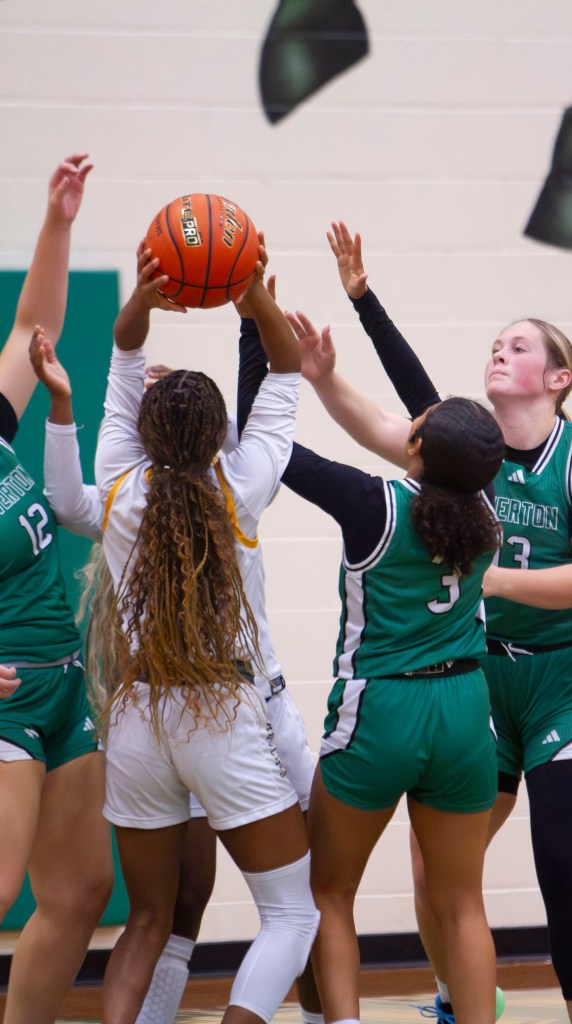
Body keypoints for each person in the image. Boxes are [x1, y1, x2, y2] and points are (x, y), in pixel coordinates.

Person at [305, 222, 572, 1024]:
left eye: (516, 346)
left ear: (556, 376)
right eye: (492, 343)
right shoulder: (469, 454)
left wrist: (487, 575)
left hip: (570, 683)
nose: (497, 351)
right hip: (485, 680)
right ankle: (458, 1000)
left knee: (561, 863)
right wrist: (358, 304)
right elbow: (390, 420)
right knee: (436, 868)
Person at [33, 287, 320, 1024]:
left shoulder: (121, 482)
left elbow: (124, 355)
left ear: (140, 428)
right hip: (219, 714)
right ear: (222, 430)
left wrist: (141, 295)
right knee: (292, 914)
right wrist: (251, 291)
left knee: (148, 920)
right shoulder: (243, 483)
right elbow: (286, 371)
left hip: (134, 719)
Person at [253, 301, 504, 1024]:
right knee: (462, 904)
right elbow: (430, 410)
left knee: (327, 894)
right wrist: (364, 303)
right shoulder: (485, 505)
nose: (410, 423)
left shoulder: (372, 503)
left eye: (416, 430)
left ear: (415, 451)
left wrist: (257, 327)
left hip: (383, 711)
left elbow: (275, 447)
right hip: (463, 711)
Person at [0, 155, 114, 1024]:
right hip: (2, 695)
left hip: (63, 683)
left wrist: (59, 221)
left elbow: (30, 327)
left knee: (78, 892)